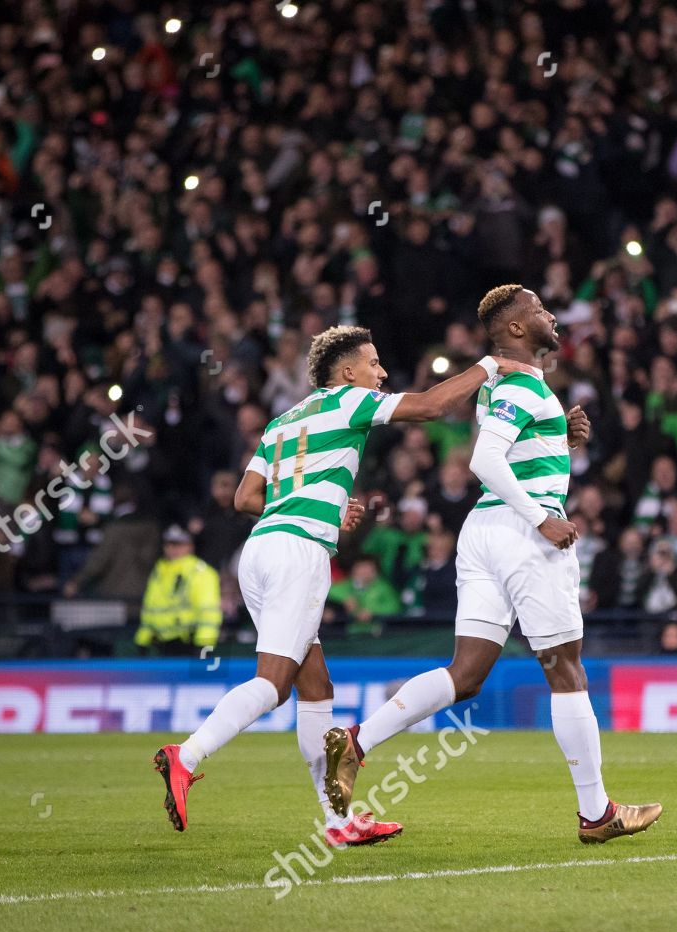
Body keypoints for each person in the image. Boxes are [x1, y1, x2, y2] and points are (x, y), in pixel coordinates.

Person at [152, 325, 529, 848]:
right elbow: (429, 407)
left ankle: (337, 821)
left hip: (260, 550)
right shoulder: (351, 400)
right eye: (374, 364)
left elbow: (243, 498)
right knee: (274, 684)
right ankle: (186, 756)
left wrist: (320, 509)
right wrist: (488, 366)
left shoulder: (282, 420)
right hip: (297, 554)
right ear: (347, 372)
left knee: (316, 688)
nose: (381, 373)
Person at [323, 285, 662, 844]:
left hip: (483, 532)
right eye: (538, 310)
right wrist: (541, 519)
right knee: (565, 668)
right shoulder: (525, 385)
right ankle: (597, 813)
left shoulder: (509, 387)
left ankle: (358, 740)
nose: (550, 314)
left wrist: (561, 443)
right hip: (520, 533)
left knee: (467, 674)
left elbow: (511, 457)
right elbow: (485, 459)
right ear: (516, 330)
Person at [133, 525, 222, 656]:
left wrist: (204, 645)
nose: (172, 549)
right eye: (169, 544)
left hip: (190, 643)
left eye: (179, 544)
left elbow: (208, 613)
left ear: (190, 546)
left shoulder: (201, 572)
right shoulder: (159, 570)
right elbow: (150, 608)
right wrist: (143, 639)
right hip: (160, 643)